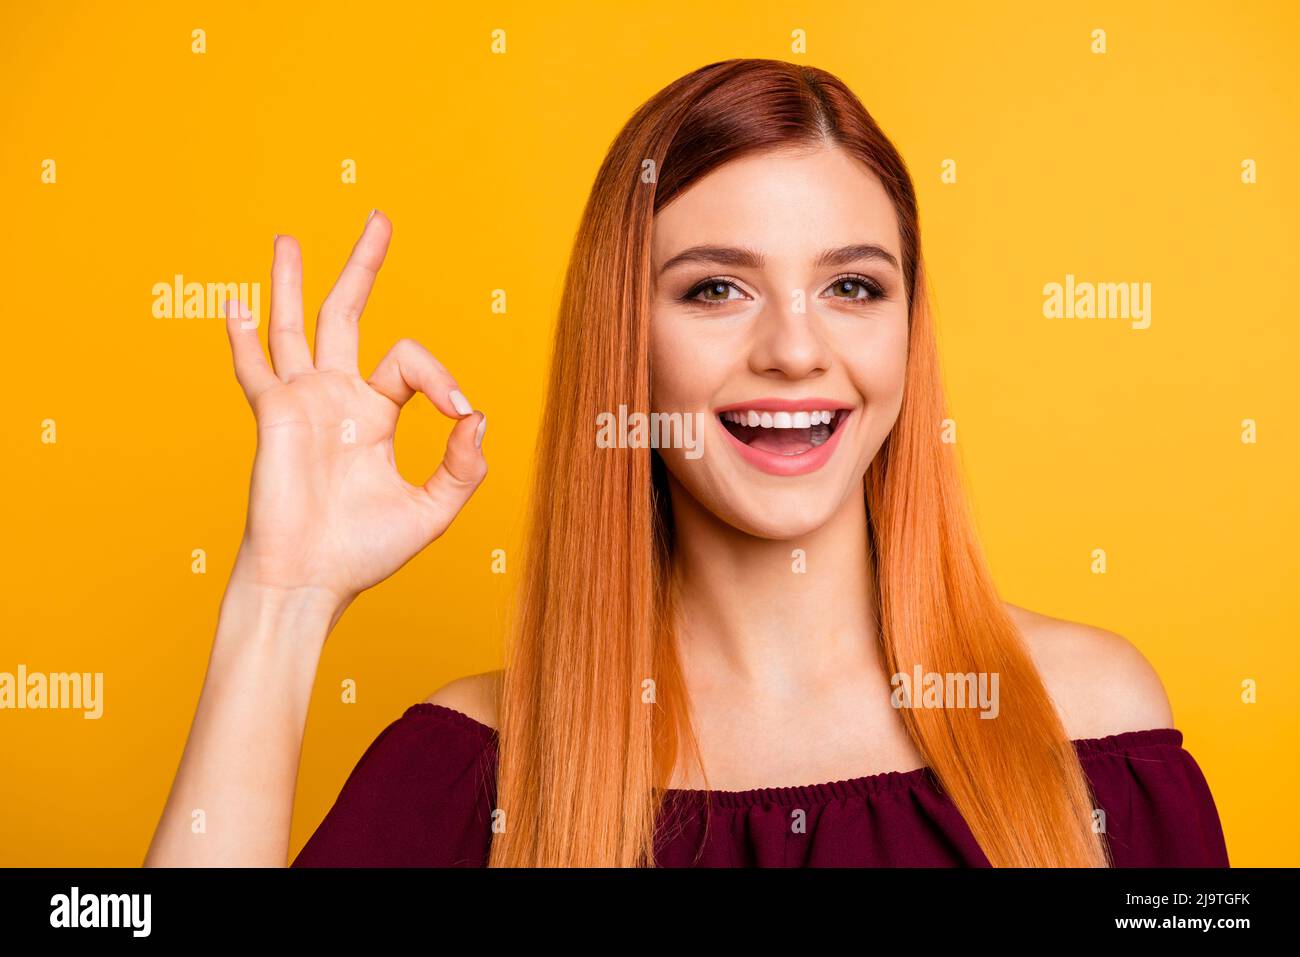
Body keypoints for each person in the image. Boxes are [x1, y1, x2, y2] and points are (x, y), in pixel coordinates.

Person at [146, 59, 1229, 868]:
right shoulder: (465, 774)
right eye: (716, 287)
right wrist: (281, 601)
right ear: (625, 336)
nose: (796, 349)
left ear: (908, 330)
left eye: (853, 286)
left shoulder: (1094, 728)